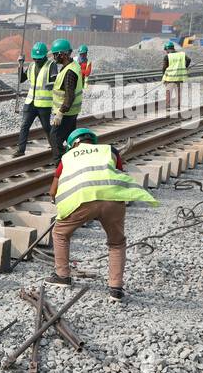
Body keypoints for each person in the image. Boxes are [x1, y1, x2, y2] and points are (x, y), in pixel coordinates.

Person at [47, 127, 158, 302]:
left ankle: (62, 276)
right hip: (112, 200)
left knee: (60, 233)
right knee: (117, 242)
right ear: (92, 142)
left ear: (73, 144)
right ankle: (116, 289)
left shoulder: (67, 157)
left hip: (81, 200)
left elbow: (53, 190)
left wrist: (59, 204)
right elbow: (119, 174)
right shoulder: (110, 151)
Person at [15, 41, 56, 157]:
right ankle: (20, 150)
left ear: (45, 56)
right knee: (24, 126)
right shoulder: (32, 66)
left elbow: (56, 81)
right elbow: (21, 79)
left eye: (39, 58)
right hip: (30, 102)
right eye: (35, 58)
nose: (37, 60)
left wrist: (52, 84)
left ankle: (55, 146)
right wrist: (20, 65)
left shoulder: (51, 65)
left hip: (44, 104)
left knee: (47, 127)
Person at [48, 38, 85, 161]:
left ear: (62, 54)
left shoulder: (69, 72)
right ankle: (75, 159)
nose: (54, 57)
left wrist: (60, 113)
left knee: (54, 137)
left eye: (55, 54)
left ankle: (59, 163)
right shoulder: (73, 66)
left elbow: (70, 96)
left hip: (67, 112)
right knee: (71, 137)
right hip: (72, 112)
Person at [162, 41, 190, 115]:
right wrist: (185, 67)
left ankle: (168, 107)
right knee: (178, 93)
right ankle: (178, 107)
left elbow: (164, 68)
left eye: (166, 50)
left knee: (168, 93)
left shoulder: (167, 56)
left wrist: (164, 76)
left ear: (167, 49)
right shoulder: (181, 55)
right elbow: (188, 60)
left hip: (170, 79)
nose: (166, 52)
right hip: (179, 78)